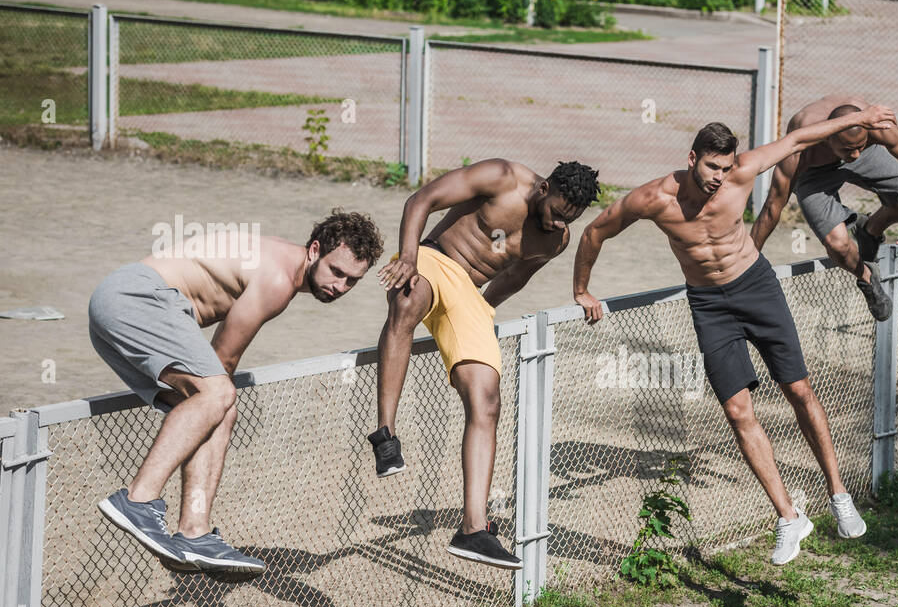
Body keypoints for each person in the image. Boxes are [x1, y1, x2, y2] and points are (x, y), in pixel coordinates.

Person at [572, 110, 895, 565]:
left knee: (798, 389)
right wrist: (582, 289)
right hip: (708, 304)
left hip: (756, 287)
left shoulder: (743, 172)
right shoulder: (653, 198)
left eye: (726, 168)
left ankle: (838, 494)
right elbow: (594, 231)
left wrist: (861, 116)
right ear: (692, 159)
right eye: (711, 168)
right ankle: (788, 518)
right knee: (736, 408)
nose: (719, 178)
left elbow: (802, 136)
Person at [91, 210, 385, 578]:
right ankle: (138, 499)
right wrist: (214, 403)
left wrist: (212, 408)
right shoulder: (278, 278)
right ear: (314, 250)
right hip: (136, 298)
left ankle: (194, 532)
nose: (339, 286)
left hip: (116, 304)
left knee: (218, 404)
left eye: (351, 281)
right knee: (217, 396)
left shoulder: (280, 267)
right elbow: (223, 359)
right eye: (336, 271)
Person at [370, 159, 600, 570]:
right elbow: (421, 199)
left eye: (569, 220)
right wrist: (408, 256)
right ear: (544, 187)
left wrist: (482, 309)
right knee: (406, 302)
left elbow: (518, 274)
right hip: (433, 260)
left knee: (487, 400)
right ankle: (385, 435)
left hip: (469, 295)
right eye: (556, 214)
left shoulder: (556, 239)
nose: (557, 225)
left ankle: (473, 529)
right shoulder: (501, 177)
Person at [750, 93, 898, 321]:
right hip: (813, 172)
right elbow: (771, 208)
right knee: (838, 244)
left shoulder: (873, 128)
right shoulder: (800, 151)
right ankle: (866, 277)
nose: (855, 155)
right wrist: (747, 261)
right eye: (848, 149)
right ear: (829, 139)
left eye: (860, 146)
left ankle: (870, 230)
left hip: (859, 146)